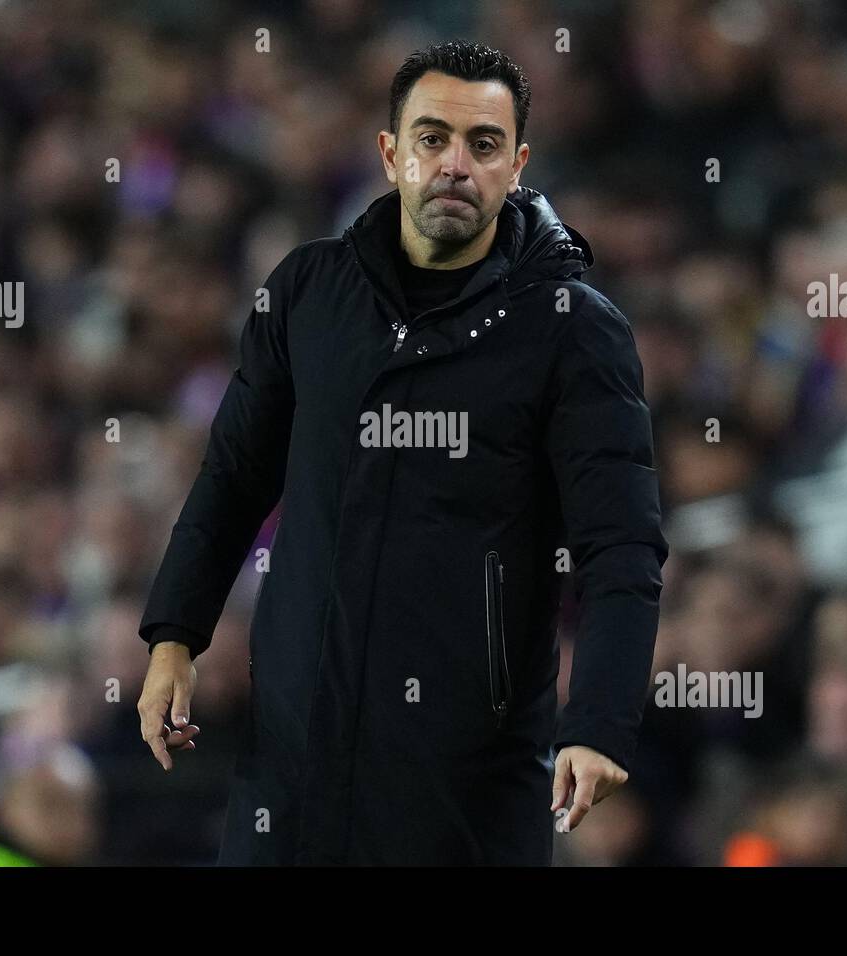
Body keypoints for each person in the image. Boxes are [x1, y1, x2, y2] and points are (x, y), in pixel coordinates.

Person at [136, 39, 669, 865]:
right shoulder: (309, 292)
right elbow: (232, 476)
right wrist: (175, 633)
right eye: (432, 139)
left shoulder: (573, 329)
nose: (456, 163)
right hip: (292, 764)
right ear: (391, 154)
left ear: (517, 163)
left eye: (483, 145)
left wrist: (598, 722)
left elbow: (621, 545)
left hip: (468, 781)